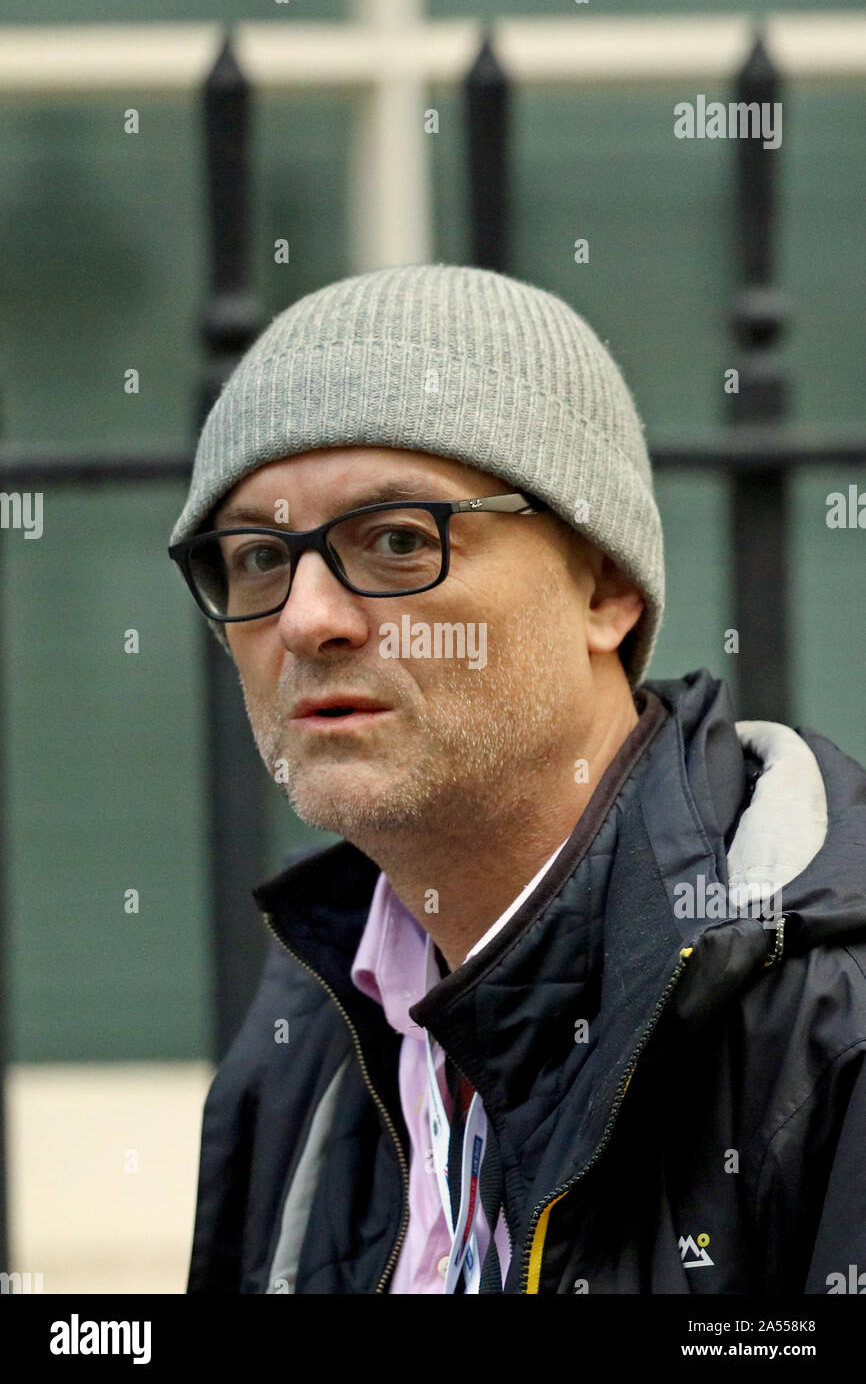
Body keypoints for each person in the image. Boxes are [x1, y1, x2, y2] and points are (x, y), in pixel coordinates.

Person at [169, 263, 866, 1294]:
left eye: (399, 539)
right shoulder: (311, 1038)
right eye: (261, 557)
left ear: (605, 588)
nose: (307, 619)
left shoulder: (826, 1026)